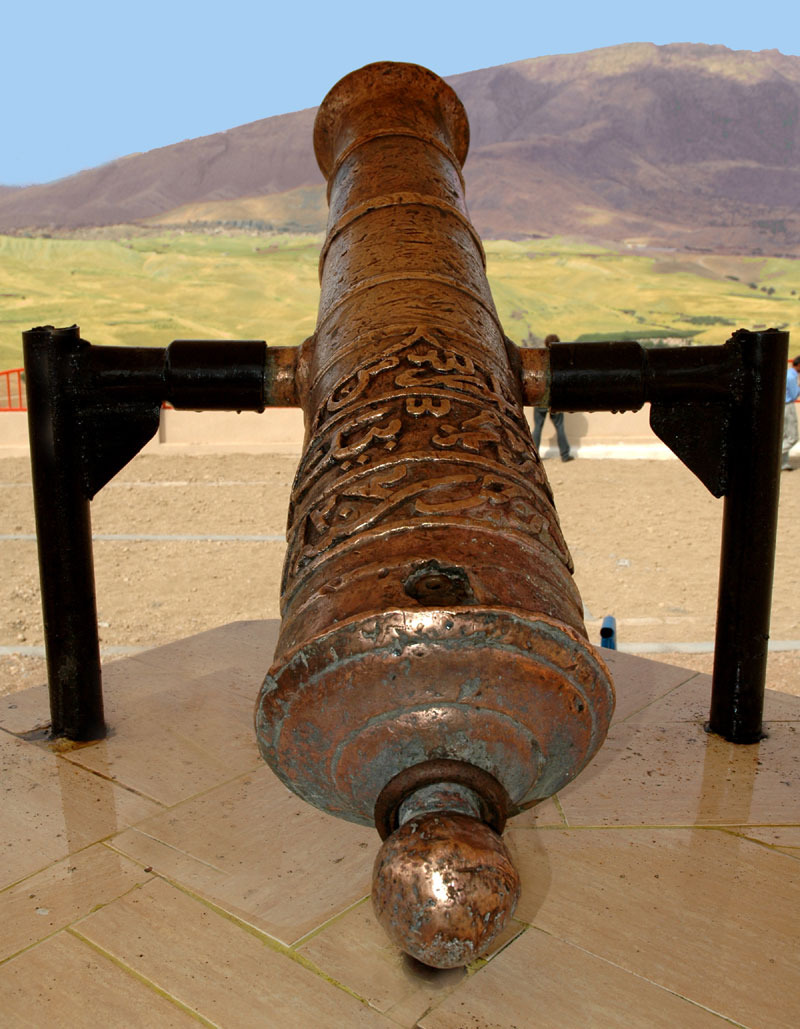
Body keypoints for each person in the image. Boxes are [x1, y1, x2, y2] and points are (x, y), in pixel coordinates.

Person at [532, 334, 574, 462]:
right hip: (555, 398)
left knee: (538, 427)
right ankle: (565, 455)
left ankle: (533, 455)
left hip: (541, 398)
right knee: (559, 426)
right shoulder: (561, 360)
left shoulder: (540, 357)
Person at [783, 355, 800, 471]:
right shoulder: (792, 377)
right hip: (788, 406)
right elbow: (794, 395)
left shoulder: (788, 373)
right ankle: (777, 456)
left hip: (783, 406)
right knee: (792, 437)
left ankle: (783, 463)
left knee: (784, 435)